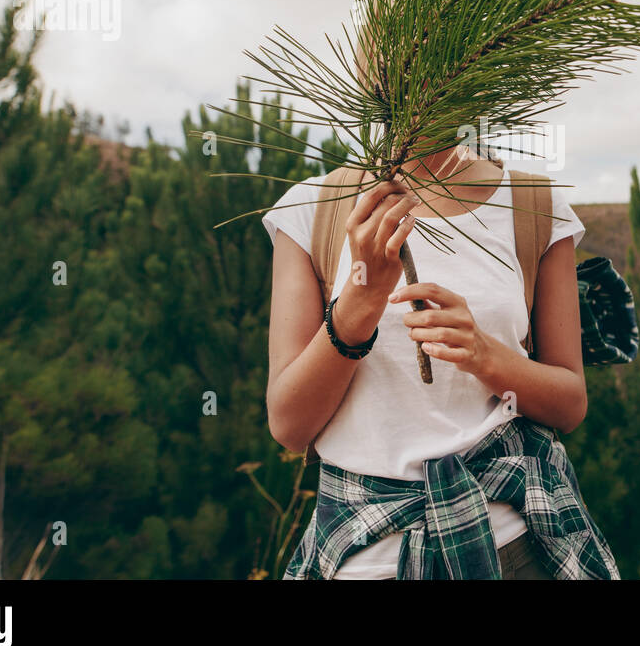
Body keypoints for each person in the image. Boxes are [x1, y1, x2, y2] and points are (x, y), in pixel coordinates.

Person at [261, 141, 620, 579]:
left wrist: (485, 355)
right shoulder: (313, 208)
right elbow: (289, 425)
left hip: (516, 545)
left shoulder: (535, 205)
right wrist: (358, 306)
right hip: (364, 557)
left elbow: (568, 404)